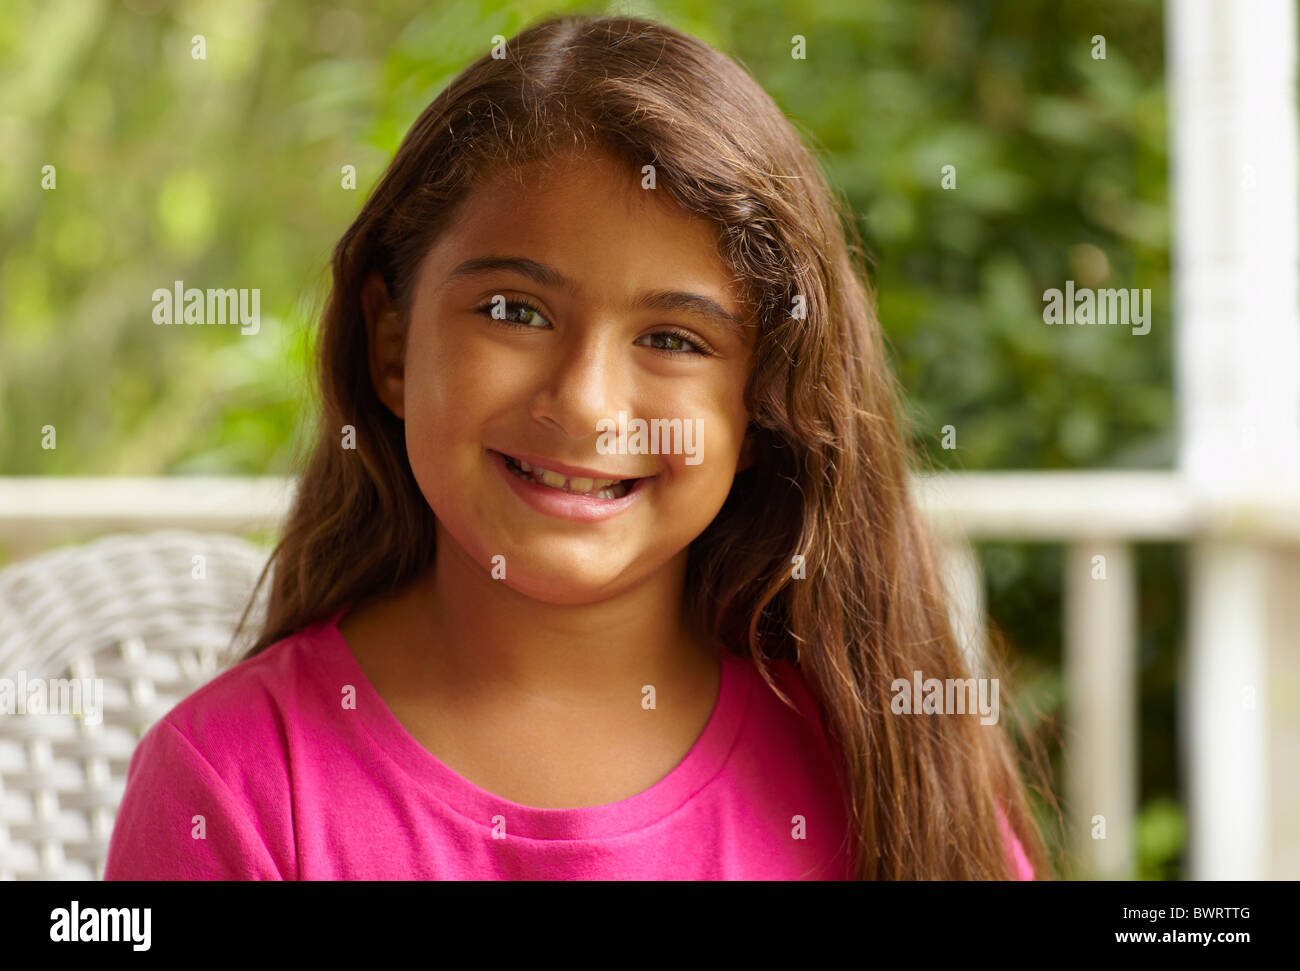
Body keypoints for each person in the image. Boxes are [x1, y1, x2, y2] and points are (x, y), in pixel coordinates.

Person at [105, 13, 1047, 880]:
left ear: (763, 403)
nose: (588, 405)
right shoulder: (231, 784)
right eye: (515, 312)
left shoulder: (890, 765)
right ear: (392, 344)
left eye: (674, 339)